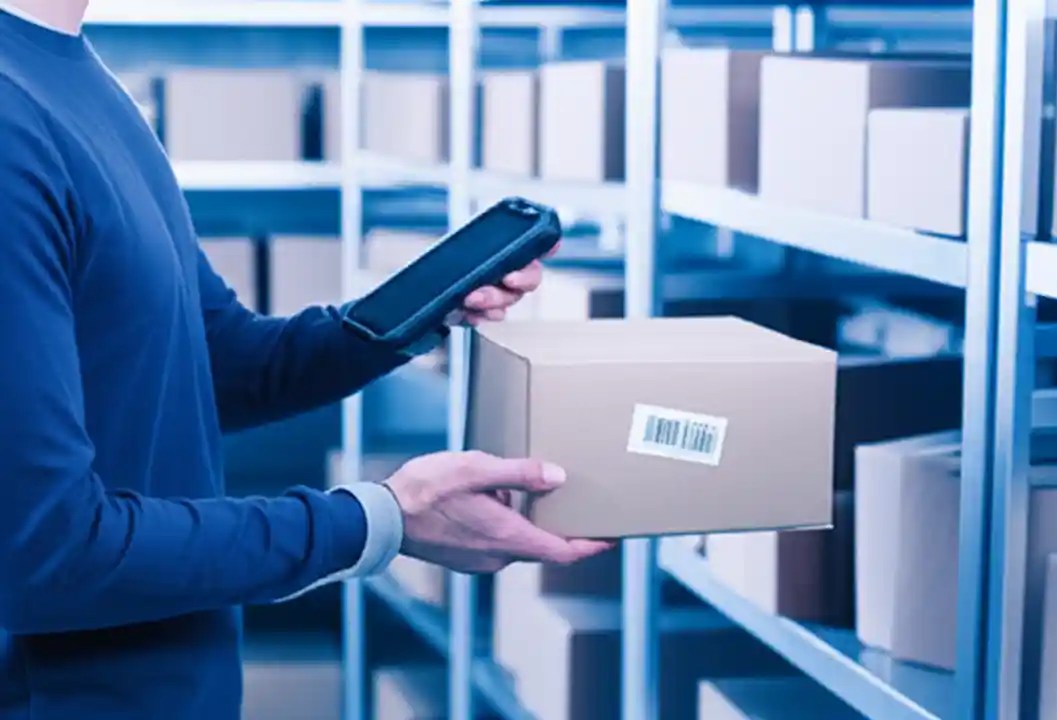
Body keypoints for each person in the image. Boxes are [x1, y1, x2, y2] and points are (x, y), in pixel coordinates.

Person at [0, 1, 611, 718]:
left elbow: (216, 360)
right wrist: (382, 521)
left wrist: (408, 315)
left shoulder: (73, 70)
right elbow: (46, 554)